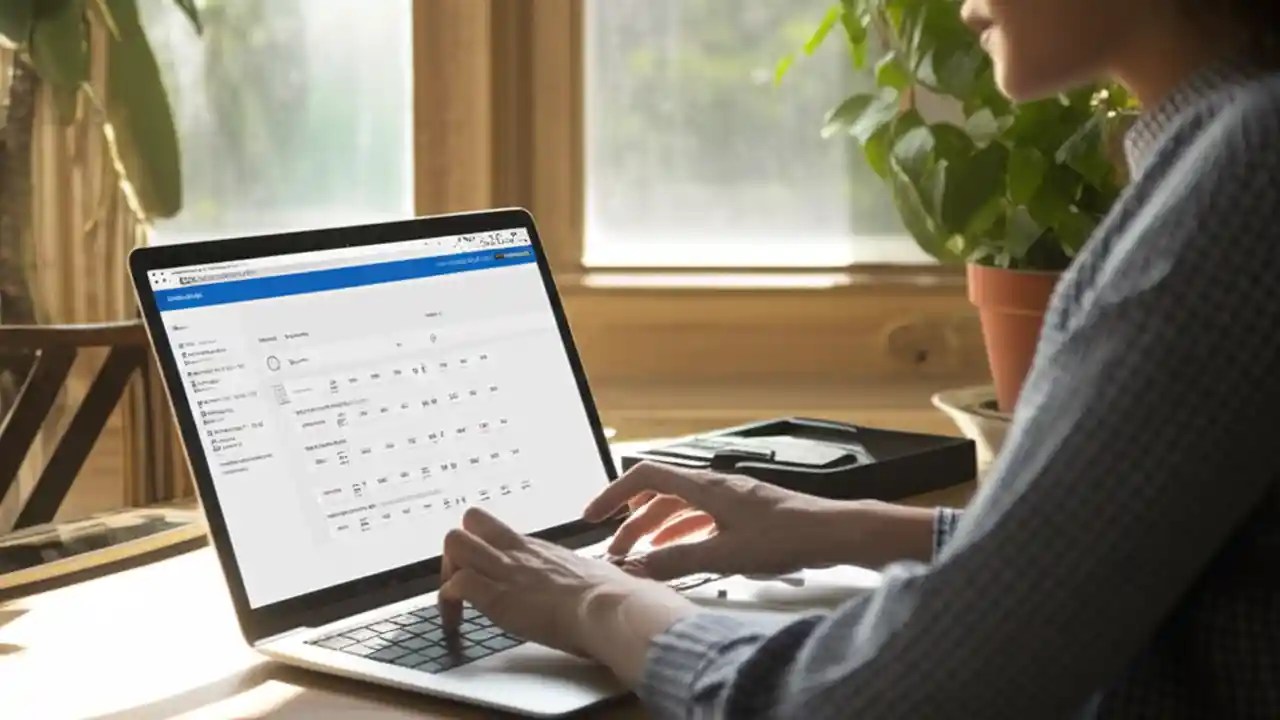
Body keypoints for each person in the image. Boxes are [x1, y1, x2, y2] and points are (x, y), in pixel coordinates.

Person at [438, 0, 1280, 716]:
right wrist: (840, 528)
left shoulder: (1247, 174)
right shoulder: (1231, 145)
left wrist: (596, 601)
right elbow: (1141, 566)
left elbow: (905, 694)